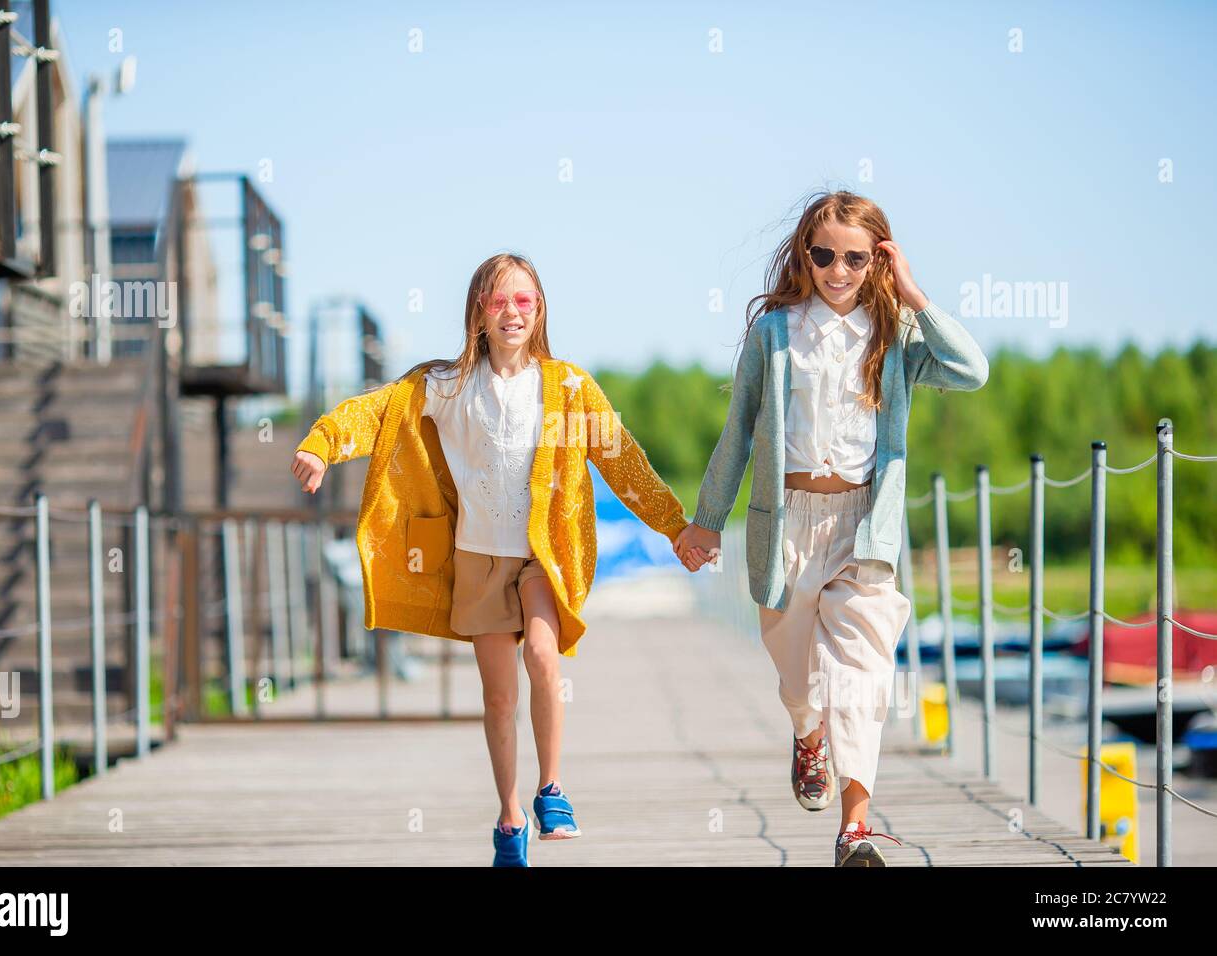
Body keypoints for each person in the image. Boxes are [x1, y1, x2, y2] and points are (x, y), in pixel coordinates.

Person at [292, 253, 691, 866]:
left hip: (541, 555)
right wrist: (321, 444)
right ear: (477, 312)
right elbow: (375, 412)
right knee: (499, 698)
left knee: (541, 655)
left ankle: (551, 789)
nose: (511, 312)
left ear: (540, 311)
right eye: (498, 301)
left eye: (524, 301)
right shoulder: (447, 386)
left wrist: (675, 527)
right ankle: (509, 820)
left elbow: (622, 459)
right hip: (478, 559)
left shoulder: (568, 386)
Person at [675, 191, 989, 866]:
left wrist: (913, 293)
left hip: (863, 529)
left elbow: (972, 370)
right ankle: (805, 731)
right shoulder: (774, 334)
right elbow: (738, 433)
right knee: (798, 682)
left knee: (863, 678)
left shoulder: (898, 334)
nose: (838, 270)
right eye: (824, 255)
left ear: (877, 258)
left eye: (855, 257)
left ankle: (855, 830)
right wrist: (705, 523)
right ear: (804, 255)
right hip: (785, 527)